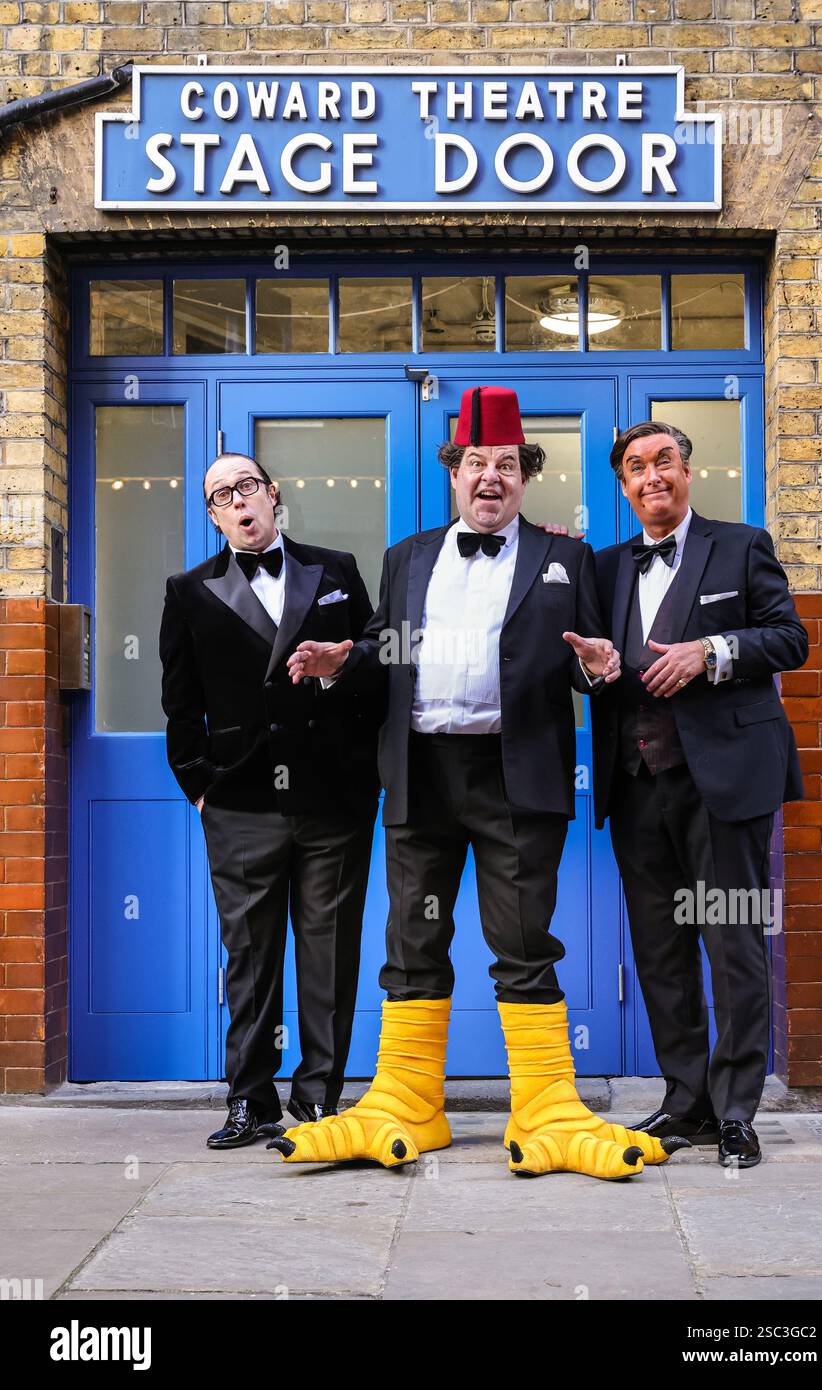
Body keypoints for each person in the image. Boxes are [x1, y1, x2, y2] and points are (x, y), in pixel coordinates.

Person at [266, 386, 688, 1181]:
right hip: (421, 771)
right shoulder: (409, 555)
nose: (488, 477)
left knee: (522, 942)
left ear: (524, 476)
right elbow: (381, 646)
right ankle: (404, 1102)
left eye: (505, 465)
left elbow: (590, 656)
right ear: (453, 473)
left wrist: (599, 671)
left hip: (515, 776)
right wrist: (341, 662)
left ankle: (547, 1108)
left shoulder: (567, 559)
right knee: (410, 940)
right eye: (474, 463)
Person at [590, 421, 808, 1169]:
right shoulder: (604, 566)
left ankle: (737, 1111)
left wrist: (710, 652)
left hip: (726, 786)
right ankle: (686, 1103)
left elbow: (789, 639)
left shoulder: (741, 545)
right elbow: (598, 666)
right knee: (659, 952)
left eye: (663, 462)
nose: (650, 476)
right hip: (637, 786)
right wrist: (591, 667)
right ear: (622, 486)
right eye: (634, 468)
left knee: (733, 945)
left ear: (686, 471)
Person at [159, 452, 381, 1149]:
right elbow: (179, 704)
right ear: (213, 515)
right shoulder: (188, 589)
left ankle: (318, 1099)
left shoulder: (336, 568)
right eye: (222, 495)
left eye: (247, 486)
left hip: (332, 796)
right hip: (241, 801)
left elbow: (374, 666)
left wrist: (341, 671)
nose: (238, 501)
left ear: (273, 494)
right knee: (249, 957)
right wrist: (199, 788)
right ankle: (251, 1101)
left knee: (329, 952)